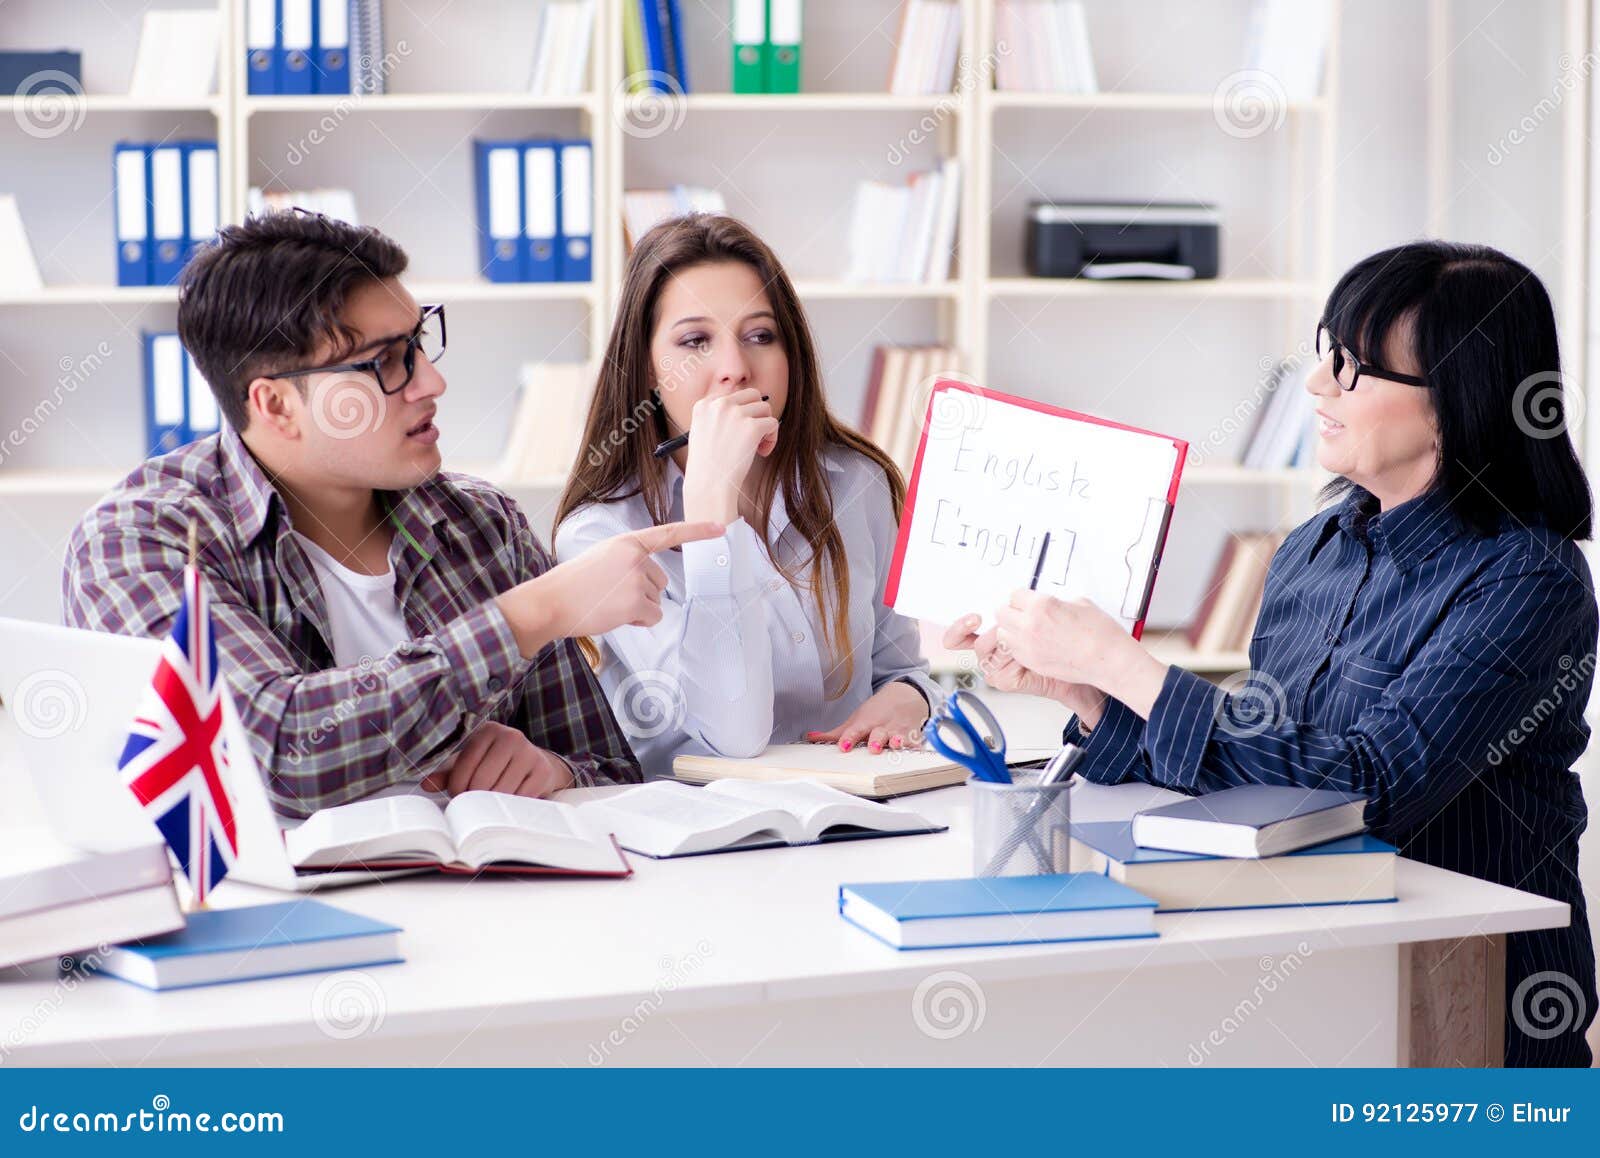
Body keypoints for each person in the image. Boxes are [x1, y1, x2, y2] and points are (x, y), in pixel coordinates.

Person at [946, 240, 1597, 1066]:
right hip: (1308, 964)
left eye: (1353, 368)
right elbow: (1266, 770)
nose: (1318, 384)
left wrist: (1128, 667)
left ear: (1452, 400)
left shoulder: (1528, 579)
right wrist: (1087, 697)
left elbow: (1374, 789)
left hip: (1464, 997)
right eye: (1324, 353)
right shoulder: (1315, 545)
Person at [63, 211, 721, 817]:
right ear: (276, 406)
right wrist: (529, 616)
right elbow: (276, 752)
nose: (429, 382)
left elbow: (612, 778)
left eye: (418, 342)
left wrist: (553, 773)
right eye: (384, 362)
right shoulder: (140, 541)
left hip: (495, 923)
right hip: (260, 933)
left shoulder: (482, 527)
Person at [554, 214, 940, 779]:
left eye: (760, 336)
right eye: (695, 342)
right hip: (703, 839)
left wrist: (909, 698)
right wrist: (715, 504)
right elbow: (732, 736)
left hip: (855, 820)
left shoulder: (858, 483)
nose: (735, 369)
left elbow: (901, 667)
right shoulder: (602, 533)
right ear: (645, 369)